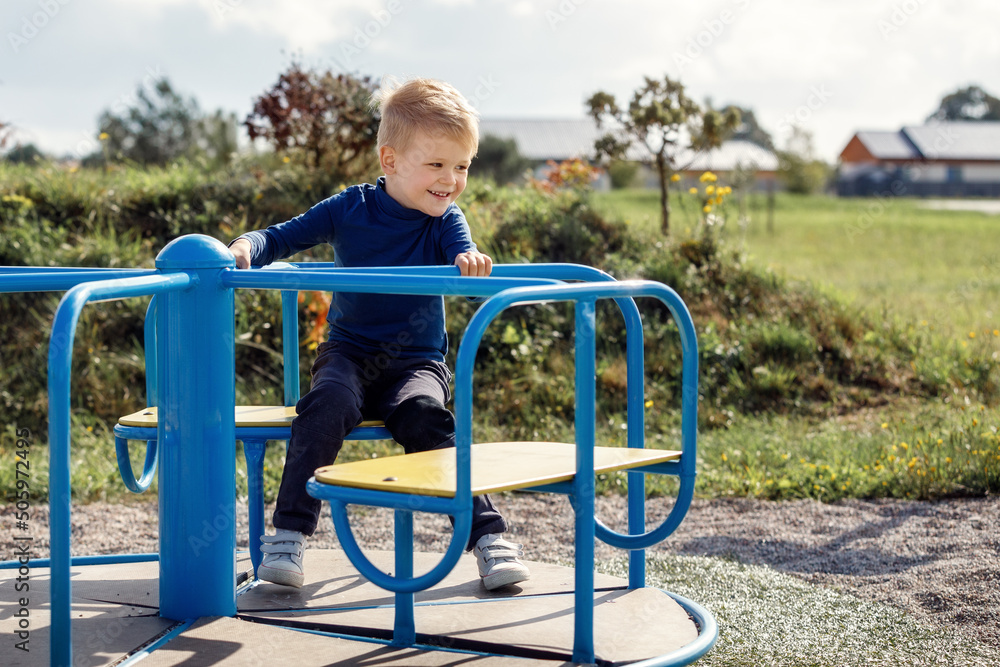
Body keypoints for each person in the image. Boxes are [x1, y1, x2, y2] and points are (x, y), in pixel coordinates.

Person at [228, 77, 530, 592]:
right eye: (436, 165)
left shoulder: (444, 220)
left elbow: (464, 249)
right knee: (325, 407)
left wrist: (469, 261)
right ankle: (289, 537)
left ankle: (487, 537)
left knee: (424, 417)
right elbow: (281, 236)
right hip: (348, 353)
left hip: (416, 362)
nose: (451, 180)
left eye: (461, 167)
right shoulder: (350, 208)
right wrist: (245, 247)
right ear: (390, 161)